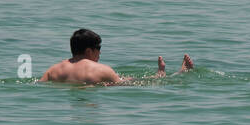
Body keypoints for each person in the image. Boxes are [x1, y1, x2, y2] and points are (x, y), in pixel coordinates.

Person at [39, 28, 193, 84]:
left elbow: (38, 85)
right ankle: (170, 74)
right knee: (135, 81)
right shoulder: (101, 70)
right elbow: (128, 86)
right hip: (92, 95)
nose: (100, 52)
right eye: (98, 48)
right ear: (88, 51)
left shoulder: (52, 70)